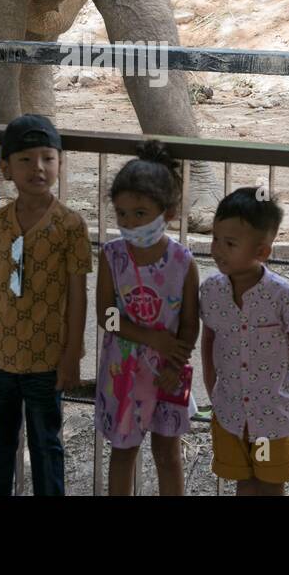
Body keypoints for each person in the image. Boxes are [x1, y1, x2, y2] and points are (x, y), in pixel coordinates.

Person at [0, 114, 90, 496]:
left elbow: (78, 294)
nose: (37, 168)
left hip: (47, 359)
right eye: (25, 160)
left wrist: (72, 353)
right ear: (6, 169)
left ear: (59, 163)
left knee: (46, 443)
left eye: (47, 158)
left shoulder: (71, 226)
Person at [201, 187, 289, 496]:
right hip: (231, 412)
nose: (218, 249)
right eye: (216, 238)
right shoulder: (211, 291)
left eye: (230, 243)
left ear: (261, 252)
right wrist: (211, 387)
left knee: (270, 485)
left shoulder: (282, 295)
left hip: (273, 415)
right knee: (244, 483)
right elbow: (208, 340)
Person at [94, 140, 199, 495]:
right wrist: (152, 338)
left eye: (139, 213)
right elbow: (105, 317)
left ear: (167, 212)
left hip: (169, 373)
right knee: (123, 454)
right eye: (121, 213)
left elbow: (189, 323)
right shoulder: (111, 256)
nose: (128, 222)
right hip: (121, 373)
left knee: (167, 452)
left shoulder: (183, 262)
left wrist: (176, 361)